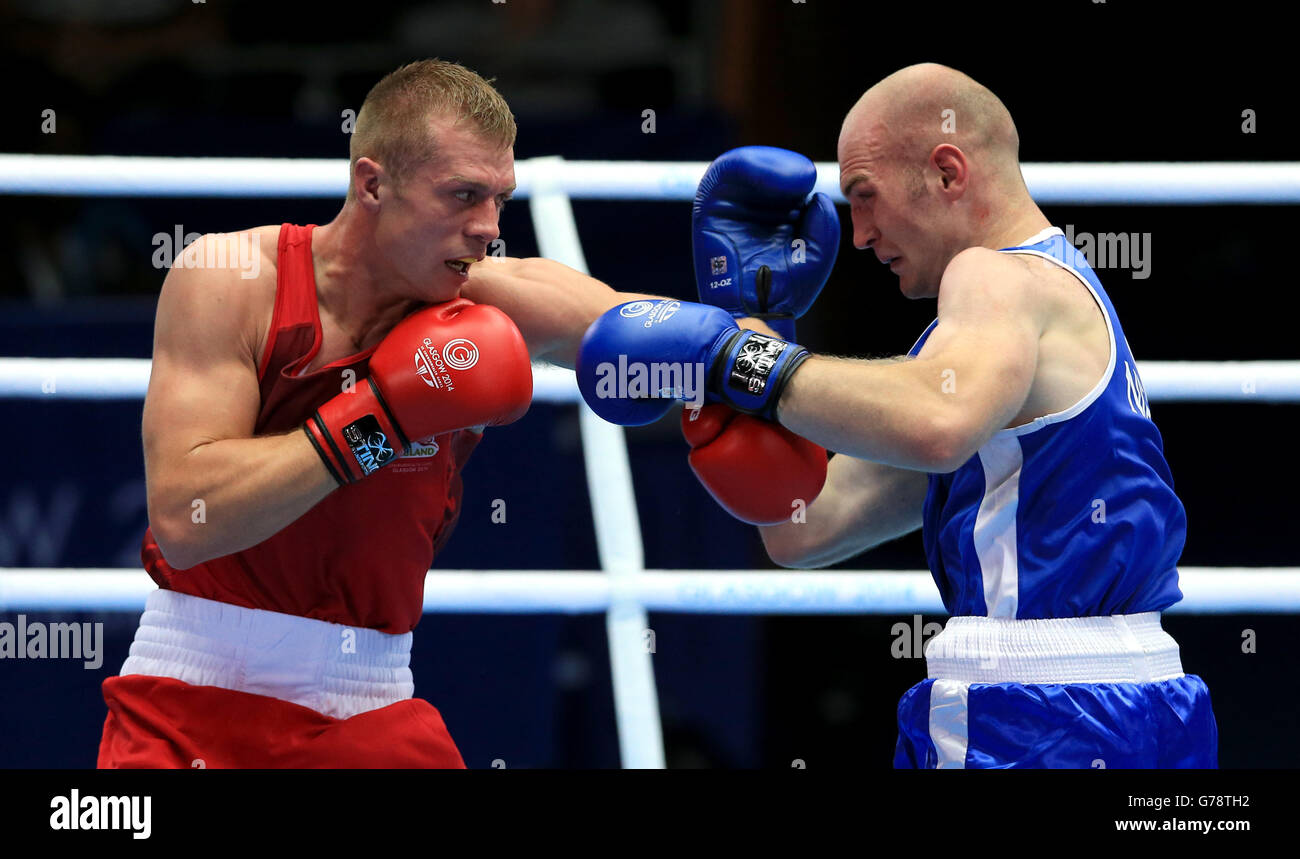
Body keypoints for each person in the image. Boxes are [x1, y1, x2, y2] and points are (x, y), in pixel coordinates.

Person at [577, 63, 1218, 768]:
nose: (857, 235)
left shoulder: (995, 277)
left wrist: (739, 360)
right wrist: (751, 330)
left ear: (947, 171)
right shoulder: (1039, 314)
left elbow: (936, 423)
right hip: (1146, 700)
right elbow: (807, 524)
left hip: (1035, 708)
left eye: (865, 196)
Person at [97, 59, 676, 768]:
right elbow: (187, 521)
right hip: (188, 700)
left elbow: (678, 347)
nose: (487, 227)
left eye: (500, 199)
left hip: (368, 706)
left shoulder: (490, 303)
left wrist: (755, 318)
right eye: (463, 195)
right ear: (372, 183)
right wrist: (377, 421)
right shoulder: (234, 279)